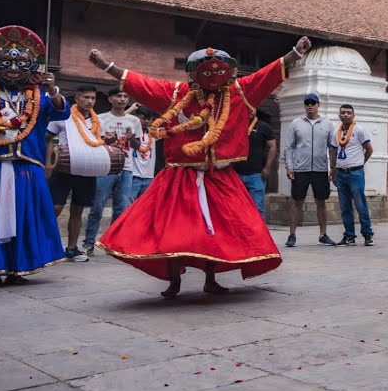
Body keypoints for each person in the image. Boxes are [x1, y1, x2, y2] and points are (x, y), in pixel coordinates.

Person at [86, 37, 311, 298]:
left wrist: (295, 53)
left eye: (220, 72)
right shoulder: (175, 94)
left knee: (217, 231)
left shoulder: (239, 93)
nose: (214, 78)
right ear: (193, 76)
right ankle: (174, 281)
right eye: (207, 73)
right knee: (174, 232)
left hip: (220, 175)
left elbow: (267, 75)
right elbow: (140, 83)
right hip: (180, 175)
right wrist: (106, 66)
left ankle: (210, 280)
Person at [0, 26, 70, 286]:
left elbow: (62, 114)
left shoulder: (39, 97)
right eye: (6, 63)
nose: (14, 68)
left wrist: (53, 91)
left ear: (32, 67)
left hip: (27, 166)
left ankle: (21, 267)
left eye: (21, 63)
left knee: (26, 217)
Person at [48, 87, 117, 263]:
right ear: (77, 98)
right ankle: (45, 246)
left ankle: (72, 249)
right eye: (86, 97)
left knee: (78, 209)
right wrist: (48, 164)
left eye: (93, 98)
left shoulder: (97, 121)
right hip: (63, 168)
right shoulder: (63, 116)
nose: (90, 101)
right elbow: (48, 138)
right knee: (55, 208)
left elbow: (98, 142)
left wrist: (108, 142)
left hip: (86, 170)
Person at [83, 89, 143, 255]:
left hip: (127, 168)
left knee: (121, 208)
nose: (122, 99)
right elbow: (93, 141)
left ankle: (112, 244)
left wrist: (131, 137)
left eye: (125, 96)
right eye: (118, 96)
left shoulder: (134, 120)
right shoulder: (100, 119)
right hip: (105, 167)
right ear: (110, 99)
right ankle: (88, 243)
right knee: (97, 206)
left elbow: (138, 147)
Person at [281, 93, 336, 247]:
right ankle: (291, 235)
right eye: (307, 103)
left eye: (313, 103)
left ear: (318, 105)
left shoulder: (327, 124)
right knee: (297, 202)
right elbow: (289, 147)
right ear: (304, 105)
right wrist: (289, 166)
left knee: (321, 202)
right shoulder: (296, 123)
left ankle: (323, 234)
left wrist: (333, 167)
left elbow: (332, 147)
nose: (310, 105)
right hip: (300, 169)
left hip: (320, 169)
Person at [329, 104, 375, 246]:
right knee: (345, 206)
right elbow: (333, 151)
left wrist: (361, 162)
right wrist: (333, 169)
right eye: (343, 112)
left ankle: (367, 234)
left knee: (360, 204)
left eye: (349, 113)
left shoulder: (359, 130)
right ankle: (349, 236)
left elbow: (369, 149)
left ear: (353, 116)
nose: (346, 115)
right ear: (339, 115)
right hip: (341, 174)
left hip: (356, 173)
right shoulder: (336, 131)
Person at [234, 108, 278, 222]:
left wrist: (267, 168)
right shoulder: (236, 125)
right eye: (247, 108)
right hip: (237, 174)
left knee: (257, 208)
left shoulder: (263, 126)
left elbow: (272, 146)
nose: (250, 111)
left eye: (252, 108)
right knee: (237, 209)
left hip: (256, 175)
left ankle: (260, 237)